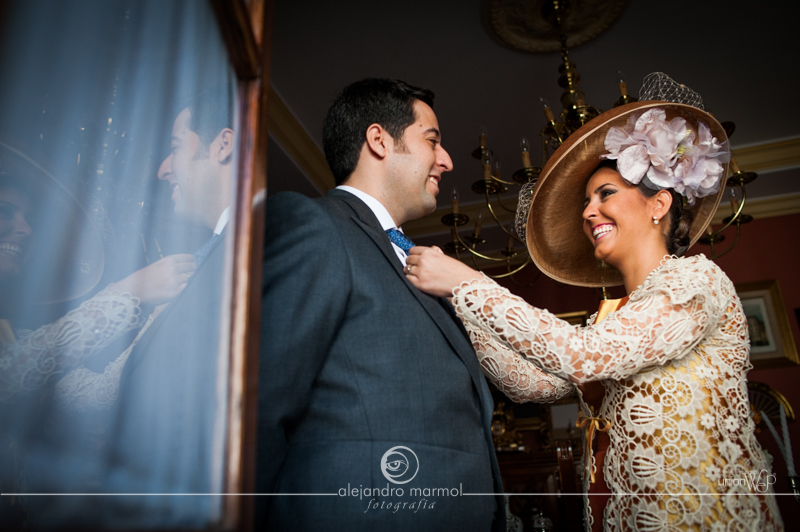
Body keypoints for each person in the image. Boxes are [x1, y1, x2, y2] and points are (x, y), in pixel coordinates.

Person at [404, 74, 783, 531]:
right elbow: (531, 386)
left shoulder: (696, 282)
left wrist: (467, 282)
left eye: (606, 194)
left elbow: (583, 356)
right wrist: (458, 304)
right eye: (586, 200)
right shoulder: (613, 316)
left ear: (659, 204)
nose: (587, 212)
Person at [257, 78, 573, 532]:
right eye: (432, 141)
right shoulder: (317, 226)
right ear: (379, 140)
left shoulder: (418, 261)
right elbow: (259, 405)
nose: (446, 160)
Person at [104, 95, 235, 522]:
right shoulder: (205, 260)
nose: (162, 169)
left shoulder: (255, 247)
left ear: (223, 145)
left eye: (176, 147)